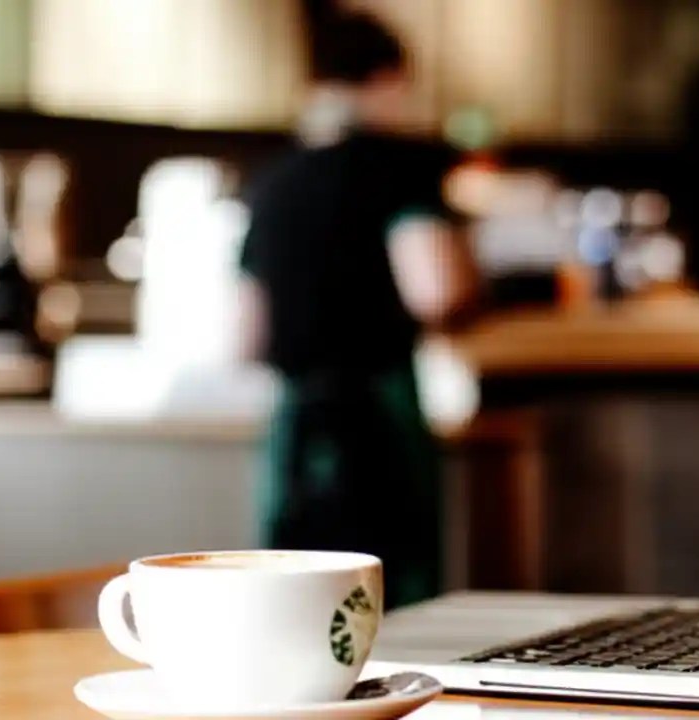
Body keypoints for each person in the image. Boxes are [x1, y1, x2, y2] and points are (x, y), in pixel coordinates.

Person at [235, 12, 479, 609]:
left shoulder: (272, 184)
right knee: (394, 599)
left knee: (297, 595)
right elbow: (434, 288)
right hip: (379, 415)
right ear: (390, 79)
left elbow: (242, 336)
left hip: (294, 424)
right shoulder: (401, 169)